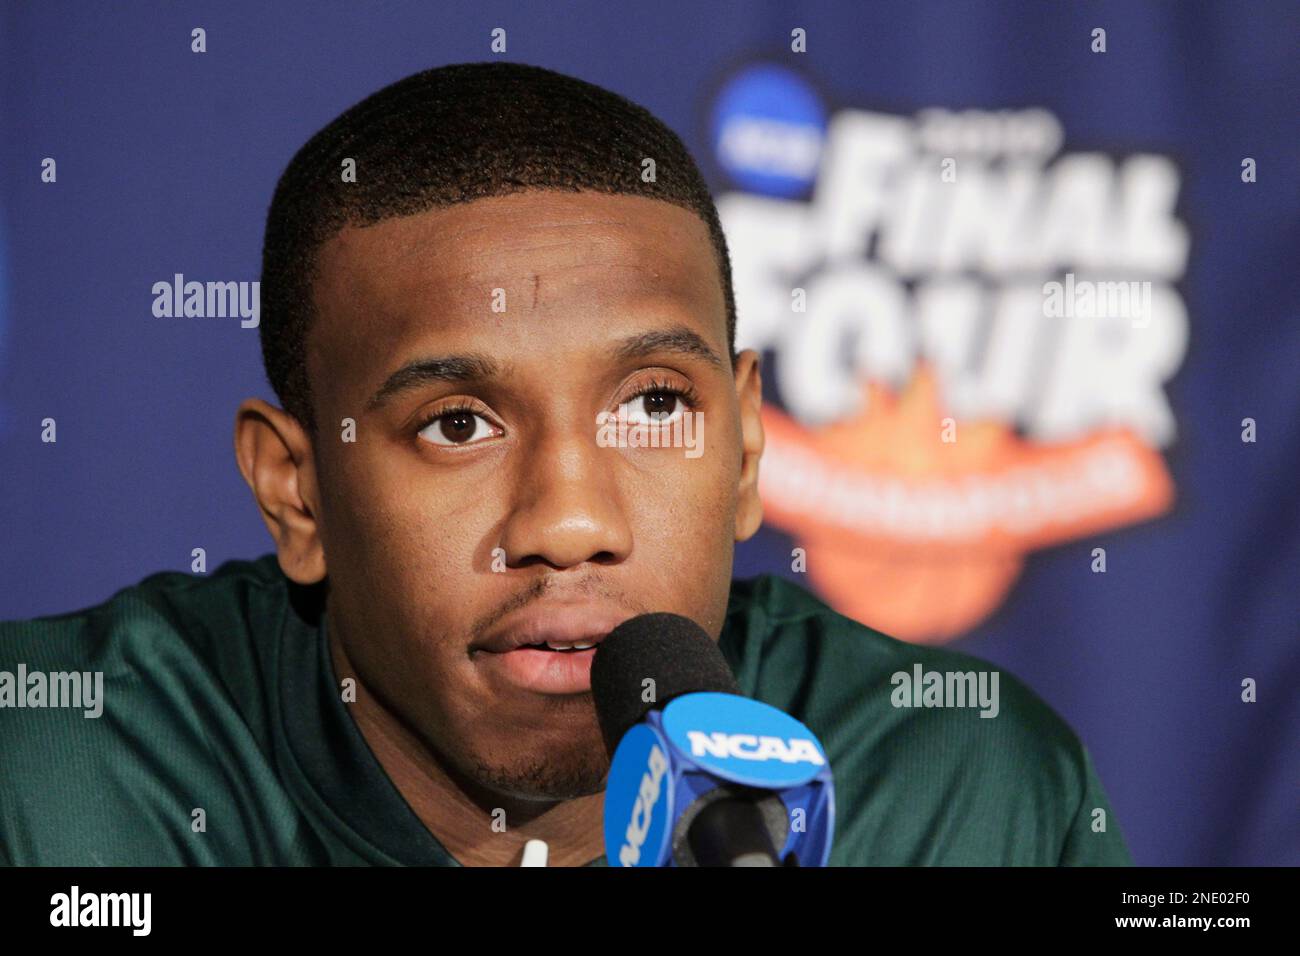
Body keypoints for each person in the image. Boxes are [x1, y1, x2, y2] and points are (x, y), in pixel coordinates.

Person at [0, 62, 1131, 866]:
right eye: (456, 423)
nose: (571, 520)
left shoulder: (955, 784)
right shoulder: (59, 773)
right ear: (296, 491)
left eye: (650, 405)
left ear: (743, 447)